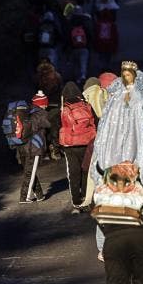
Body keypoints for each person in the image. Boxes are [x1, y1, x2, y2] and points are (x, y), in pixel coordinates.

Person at [89, 61, 143, 231]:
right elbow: (107, 129)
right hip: (115, 158)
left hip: (137, 157)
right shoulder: (116, 98)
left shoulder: (140, 97)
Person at [59, 82, 96, 211]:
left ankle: (76, 200)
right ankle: (86, 196)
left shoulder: (64, 108)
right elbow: (95, 122)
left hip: (70, 145)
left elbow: (58, 126)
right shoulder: (87, 105)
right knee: (86, 170)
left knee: (73, 172)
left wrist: (57, 145)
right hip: (87, 142)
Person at [17, 92, 52, 203]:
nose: (46, 105)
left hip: (22, 146)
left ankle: (39, 195)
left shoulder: (27, 111)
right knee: (30, 172)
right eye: (45, 103)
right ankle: (24, 197)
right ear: (41, 103)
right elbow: (49, 124)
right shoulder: (41, 114)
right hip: (33, 147)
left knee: (30, 171)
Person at [93, 0, 120, 71]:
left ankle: (104, 66)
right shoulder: (111, 7)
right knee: (107, 50)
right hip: (108, 29)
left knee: (104, 50)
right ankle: (106, 66)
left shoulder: (98, 6)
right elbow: (114, 17)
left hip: (102, 28)